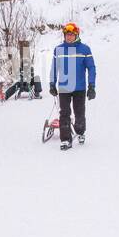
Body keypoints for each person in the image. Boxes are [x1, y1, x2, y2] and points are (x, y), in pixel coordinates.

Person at [49, 21, 96, 150]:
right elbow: (54, 68)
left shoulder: (85, 49)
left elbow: (91, 68)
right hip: (64, 87)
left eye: (71, 35)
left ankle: (80, 132)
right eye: (67, 35)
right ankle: (65, 139)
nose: (69, 37)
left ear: (76, 35)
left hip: (79, 87)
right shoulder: (58, 49)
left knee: (79, 112)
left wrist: (92, 86)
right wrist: (52, 83)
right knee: (64, 113)